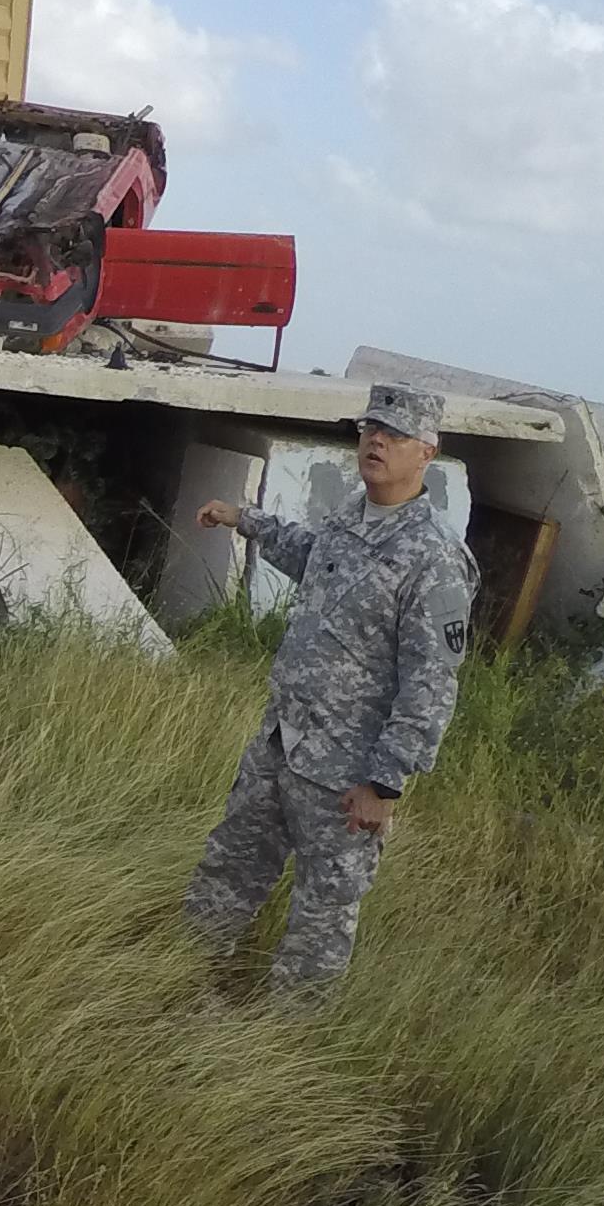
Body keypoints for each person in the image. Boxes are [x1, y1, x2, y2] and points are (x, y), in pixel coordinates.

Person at [185, 379, 476, 995]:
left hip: (348, 773)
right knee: (228, 867)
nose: (377, 440)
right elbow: (313, 553)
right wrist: (245, 519)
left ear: (427, 452)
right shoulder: (351, 517)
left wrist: (385, 783)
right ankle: (184, 981)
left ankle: (286, 1045)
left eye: (396, 434)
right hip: (282, 742)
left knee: (322, 912)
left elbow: (432, 681)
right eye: (371, 428)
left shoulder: (434, 556)